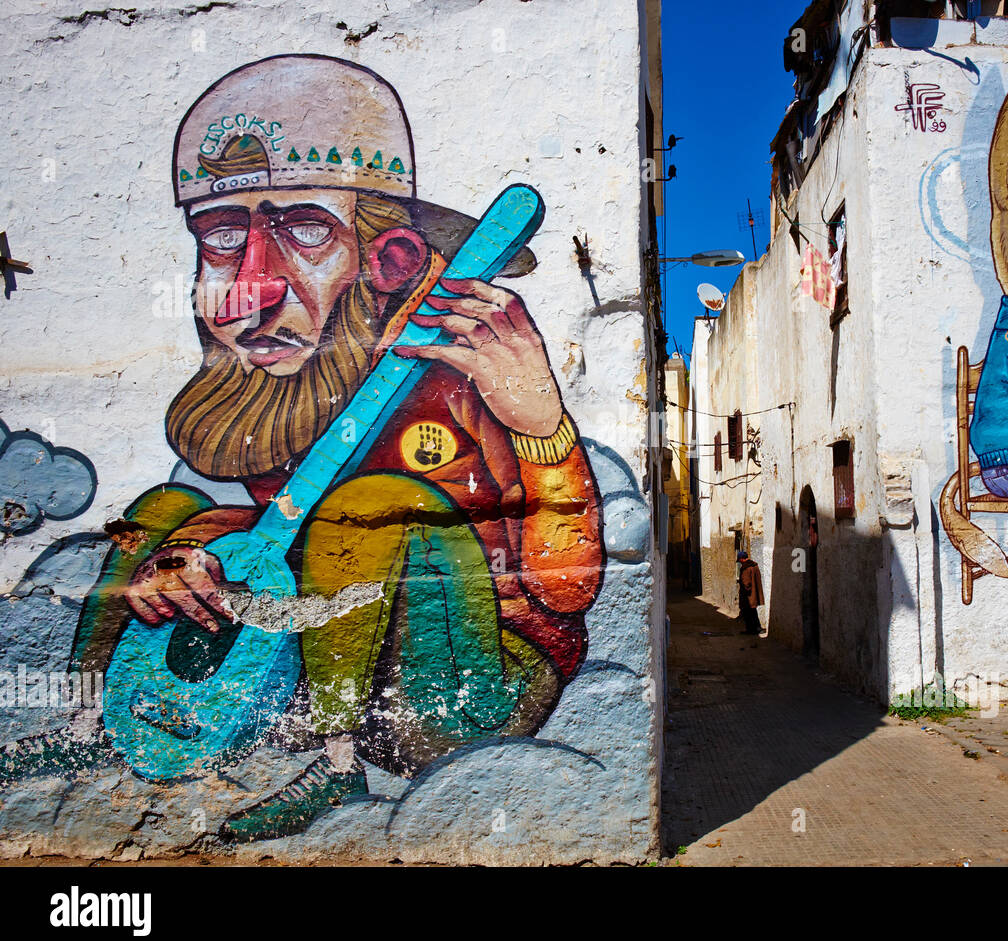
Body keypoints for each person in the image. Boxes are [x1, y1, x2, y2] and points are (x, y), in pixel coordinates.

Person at [0, 54, 605, 843]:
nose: (254, 286)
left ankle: (339, 758)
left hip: (464, 687)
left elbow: (566, 591)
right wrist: (183, 560)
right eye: (222, 239)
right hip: (320, 655)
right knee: (160, 511)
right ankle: (90, 726)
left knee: (370, 508)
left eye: (306, 229)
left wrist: (540, 425)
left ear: (389, 259)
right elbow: (271, 532)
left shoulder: (468, 367)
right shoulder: (282, 383)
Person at [737, 551, 764, 635]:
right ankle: (757, 628)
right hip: (754, 594)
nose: (740, 562)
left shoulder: (745, 568)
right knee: (753, 612)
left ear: (742, 559)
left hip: (748, 596)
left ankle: (751, 629)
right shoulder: (755, 566)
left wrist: (743, 589)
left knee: (748, 613)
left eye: (740, 560)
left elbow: (746, 583)